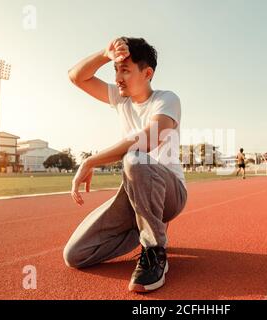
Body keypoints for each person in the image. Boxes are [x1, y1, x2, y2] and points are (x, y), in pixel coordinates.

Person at [64, 37, 188, 293]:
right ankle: (143, 229)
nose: (118, 77)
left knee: (134, 157)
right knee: (75, 254)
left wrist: (90, 160)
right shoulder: (120, 100)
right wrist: (104, 53)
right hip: (134, 192)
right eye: (116, 70)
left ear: (147, 73)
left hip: (171, 193)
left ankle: (155, 251)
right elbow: (76, 77)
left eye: (125, 70)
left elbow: (146, 139)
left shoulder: (167, 99)